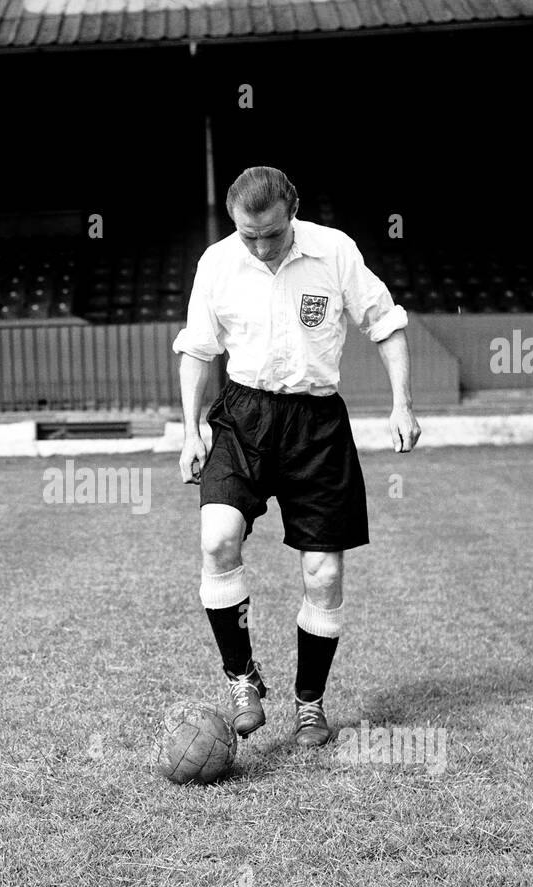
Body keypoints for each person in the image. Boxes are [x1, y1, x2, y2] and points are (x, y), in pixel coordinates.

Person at [175, 165, 421, 747]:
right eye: (247, 235)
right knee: (216, 538)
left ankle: (310, 702)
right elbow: (197, 349)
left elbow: (385, 325)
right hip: (243, 417)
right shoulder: (217, 262)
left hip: (316, 425)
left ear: (294, 212)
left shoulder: (334, 252)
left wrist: (402, 404)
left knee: (324, 573)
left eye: (271, 233)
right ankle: (242, 678)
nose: (259, 246)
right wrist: (191, 431)